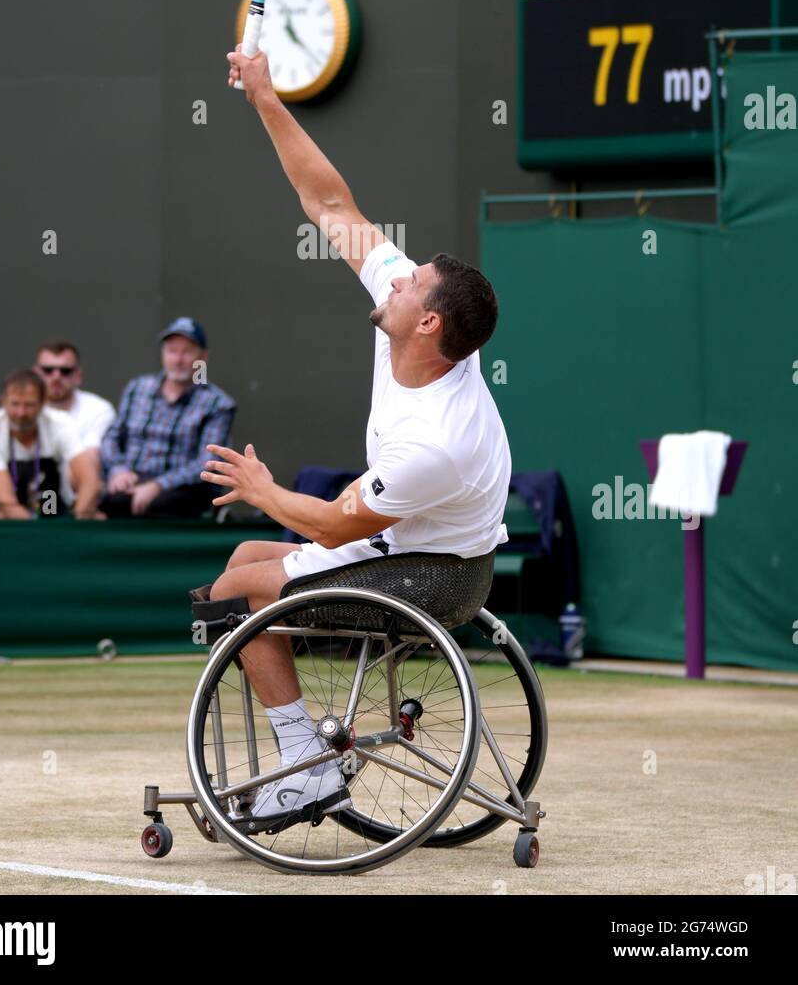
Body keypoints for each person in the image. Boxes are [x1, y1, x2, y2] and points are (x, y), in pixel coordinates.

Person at [193, 43, 511, 829]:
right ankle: (302, 747)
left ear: (428, 321)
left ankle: (305, 767)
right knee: (241, 564)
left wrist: (265, 493)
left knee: (237, 595)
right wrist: (266, 96)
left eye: (410, 284)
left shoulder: (436, 437)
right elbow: (331, 205)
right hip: (413, 542)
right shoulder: (408, 323)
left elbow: (337, 523)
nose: (395, 276)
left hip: (437, 578)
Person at [98, 318, 236, 518]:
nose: (178, 359)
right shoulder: (137, 388)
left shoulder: (218, 403)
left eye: (187, 352)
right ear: (163, 354)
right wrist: (118, 471)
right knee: (104, 495)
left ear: (203, 358)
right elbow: (111, 437)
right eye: (172, 351)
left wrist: (157, 485)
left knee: (165, 502)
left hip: (180, 487)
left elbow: (207, 462)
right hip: (131, 478)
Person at [0, 369, 100, 519]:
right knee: (2, 518)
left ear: (43, 403)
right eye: (15, 404)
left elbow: (90, 481)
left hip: (48, 501)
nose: (21, 413)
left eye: (29, 405)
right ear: (3, 402)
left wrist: (80, 519)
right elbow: (6, 502)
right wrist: (39, 533)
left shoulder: (60, 423)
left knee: (93, 516)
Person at [33, 341, 116, 468]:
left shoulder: (98, 409)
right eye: (48, 370)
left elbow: (90, 465)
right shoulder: (21, 411)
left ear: (78, 375)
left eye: (65, 371)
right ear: (35, 374)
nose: (56, 377)